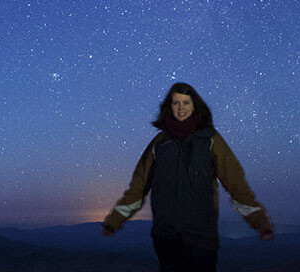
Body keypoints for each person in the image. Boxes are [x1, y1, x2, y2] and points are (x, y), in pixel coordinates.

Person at [102, 82, 273, 272]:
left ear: (194, 106)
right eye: (176, 103)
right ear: (169, 106)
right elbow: (138, 186)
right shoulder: (160, 143)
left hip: (201, 236)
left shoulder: (210, 139)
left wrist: (260, 222)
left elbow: (235, 183)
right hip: (166, 237)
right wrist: (114, 222)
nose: (180, 108)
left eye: (186, 102)